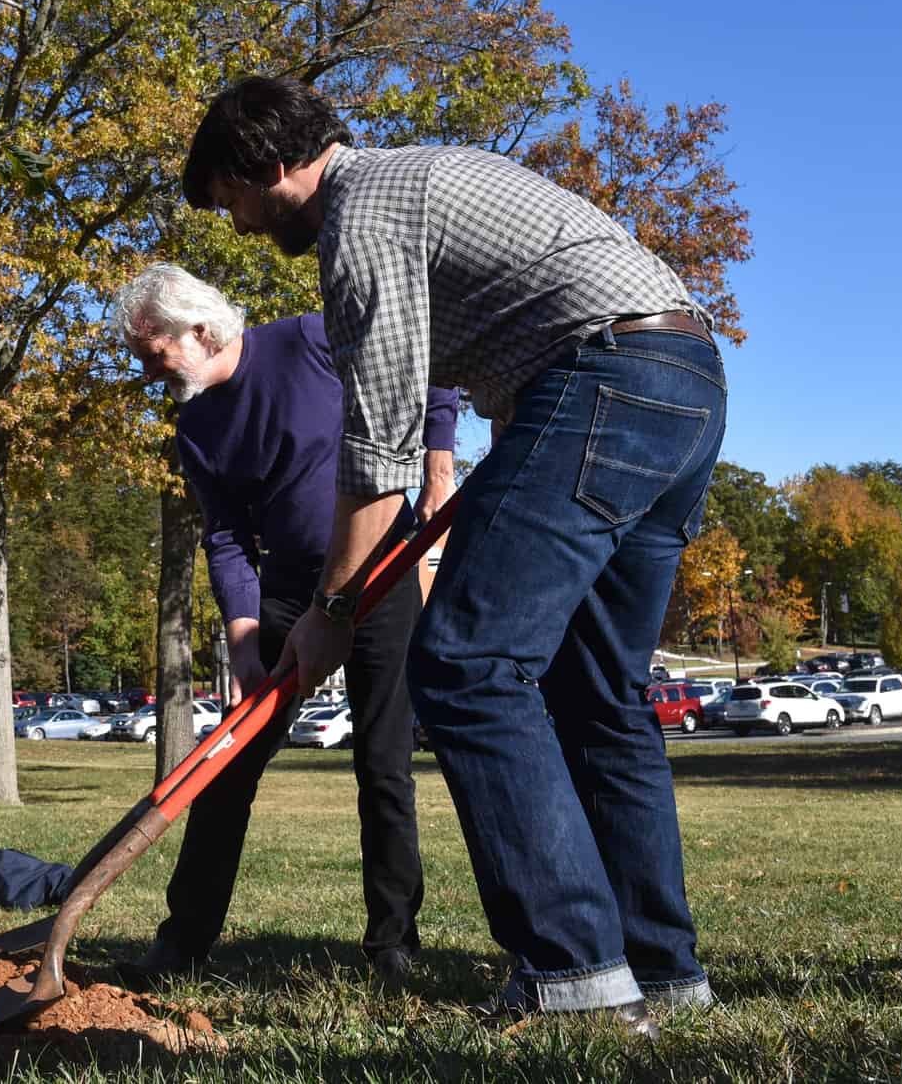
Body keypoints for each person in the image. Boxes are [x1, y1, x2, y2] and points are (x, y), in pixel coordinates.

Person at [181, 76, 727, 1035]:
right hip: (684, 376)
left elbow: (379, 456)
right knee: (599, 691)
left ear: (268, 165)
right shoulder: (422, 173)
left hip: (600, 378)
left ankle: (572, 977)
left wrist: (328, 611)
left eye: (233, 202)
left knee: (466, 665)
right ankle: (661, 972)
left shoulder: (363, 215)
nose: (239, 226)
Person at [113, 263, 457, 986]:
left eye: (155, 354)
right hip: (289, 592)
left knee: (385, 762)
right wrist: (243, 631)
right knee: (229, 759)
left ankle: (392, 944)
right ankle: (184, 941)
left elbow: (421, 355)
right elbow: (228, 537)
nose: (149, 374)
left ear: (199, 332)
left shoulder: (309, 341)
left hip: (383, 569)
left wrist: (438, 461)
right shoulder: (196, 425)